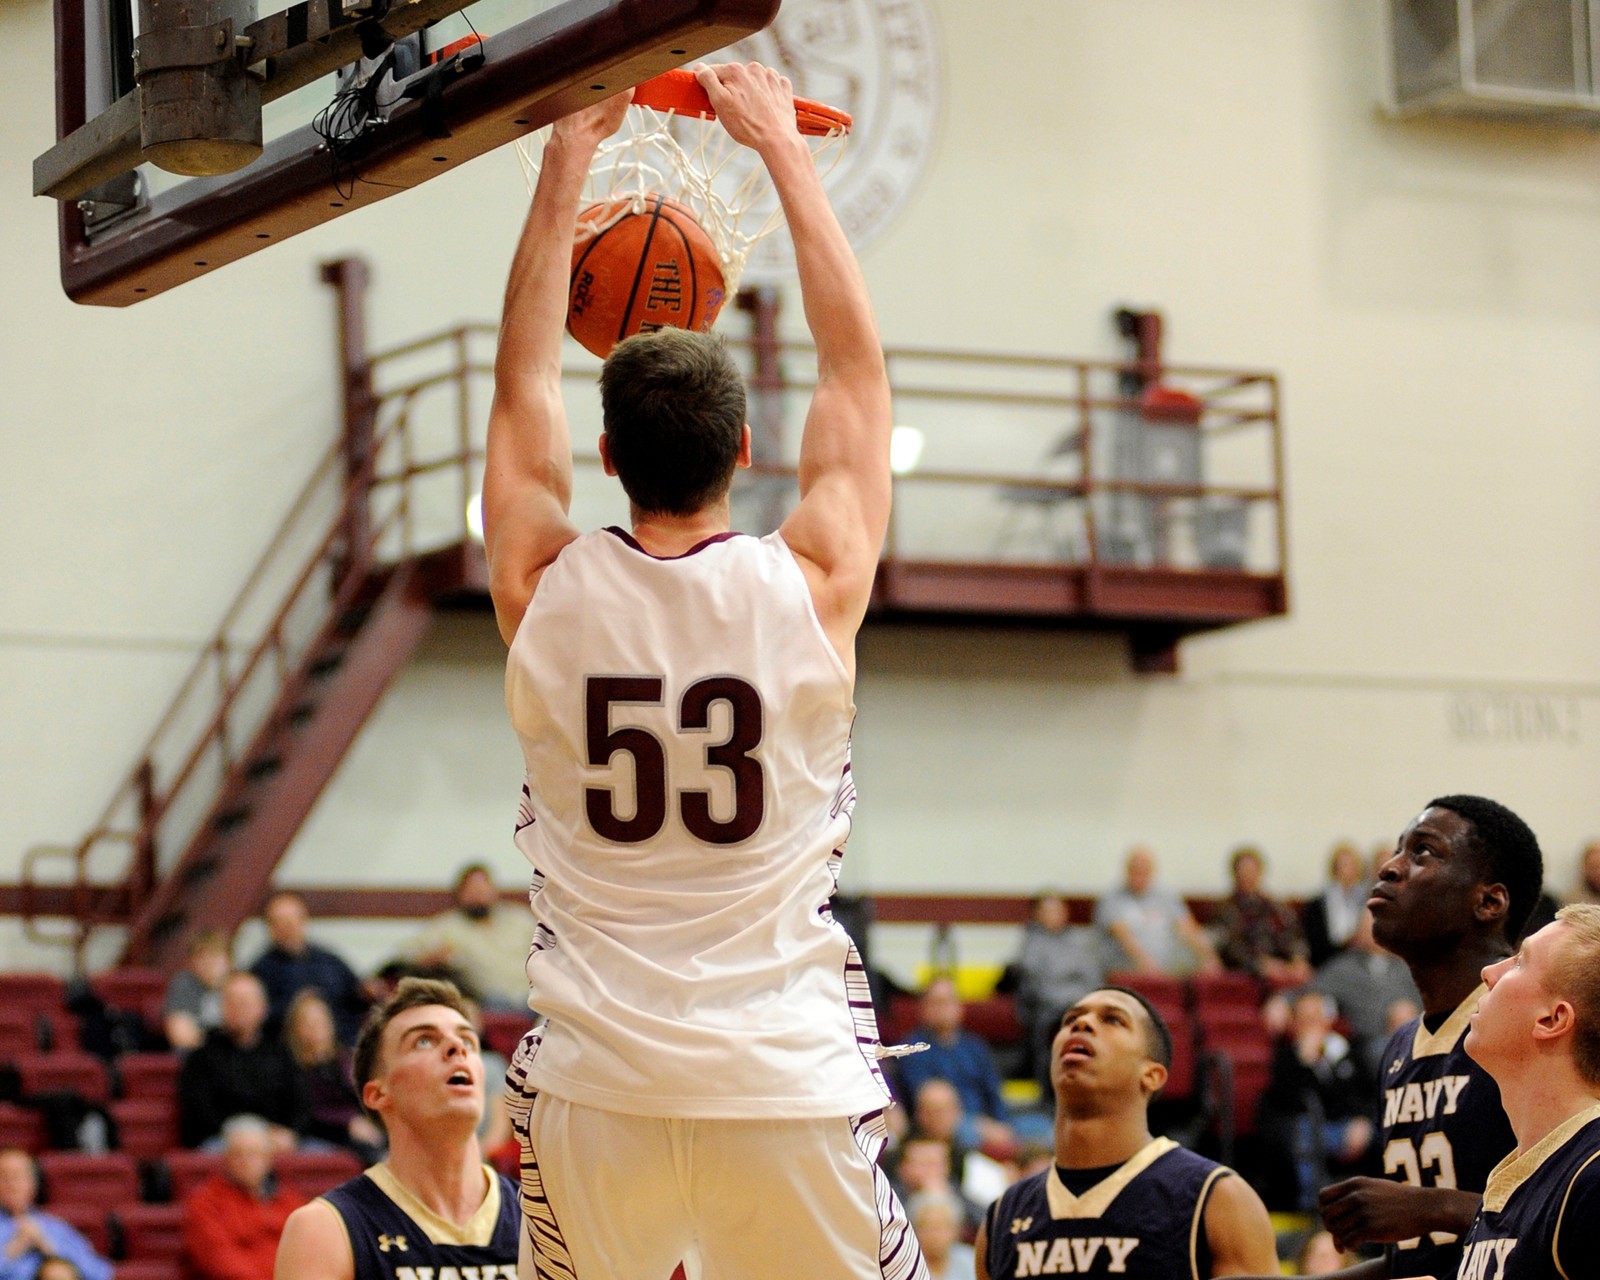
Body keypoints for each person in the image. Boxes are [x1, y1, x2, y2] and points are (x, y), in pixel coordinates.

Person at [484, 61, 926, 1280]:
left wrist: (568, 155)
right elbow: (856, 380)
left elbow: (522, 390)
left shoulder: (543, 589)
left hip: (595, 1084)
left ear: (609, 452)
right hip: (781, 1072)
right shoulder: (815, 578)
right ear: (743, 444)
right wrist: (780, 146)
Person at [1313, 795, 1544, 1280]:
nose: (1391, 868)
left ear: (1489, 901)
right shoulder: (1399, 1048)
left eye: (1424, 853)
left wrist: (1436, 1207)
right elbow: (1421, 1261)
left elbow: (1571, 1212)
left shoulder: (1537, 1021)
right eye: (1398, 850)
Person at [975, 987, 1278, 1280]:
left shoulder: (1218, 1199)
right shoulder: (1002, 1217)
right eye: (1070, 1020)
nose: (1081, 1024)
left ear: (1151, 1075)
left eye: (1113, 1020)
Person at [274, 978, 520, 1280]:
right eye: (424, 1041)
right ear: (378, 1094)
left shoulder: (542, 1218)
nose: (457, 1047)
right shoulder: (325, 1229)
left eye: (468, 1041)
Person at [1444, 903, 1600, 1278]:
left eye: (1518, 964)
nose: (1489, 972)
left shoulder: (1592, 1178)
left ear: (1552, 1019)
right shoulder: (1535, 1165)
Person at [1256, 990, 1375, 1212]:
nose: (1311, 1026)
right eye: (1304, 1020)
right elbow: (1290, 1102)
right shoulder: (1287, 1058)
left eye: (1316, 1018)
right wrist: (1306, 1063)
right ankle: (1313, 1210)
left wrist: (1363, 1121)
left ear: (1328, 1020)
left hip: (1350, 1127)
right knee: (1304, 1133)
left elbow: (1366, 1094)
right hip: (1309, 1130)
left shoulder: (1349, 1051)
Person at [178, 971, 307, 1150]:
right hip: (223, 1142)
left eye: (246, 1003)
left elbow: (300, 1103)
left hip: (276, 1141)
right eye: (233, 1002)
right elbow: (199, 1113)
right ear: (222, 1007)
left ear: (263, 1007)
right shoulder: (202, 1056)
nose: (239, 1009)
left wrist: (290, 1132)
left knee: (327, 1158)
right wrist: (246, 1137)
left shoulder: (281, 1053)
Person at [897, 977, 1018, 1152]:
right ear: (924, 1009)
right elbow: (927, 1103)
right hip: (945, 1124)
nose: (944, 1009)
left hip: (986, 1121)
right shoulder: (912, 1050)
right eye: (938, 1002)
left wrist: (1003, 1125)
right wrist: (980, 1126)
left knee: (1040, 1128)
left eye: (949, 1001)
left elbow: (993, 1094)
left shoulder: (975, 1046)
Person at [182, 1113, 307, 1280]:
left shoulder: (289, 1200)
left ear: (269, 1157)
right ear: (225, 1158)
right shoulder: (205, 1203)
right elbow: (220, 1263)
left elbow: (308, 1252)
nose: (245, 1161)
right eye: (238, 1154)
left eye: (254, 1154)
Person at [395, 864, 533, 1011]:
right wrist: (430, 959)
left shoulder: (520, 919)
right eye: (471, 890)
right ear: (460, 894)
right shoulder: (448, 927)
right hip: (488, 1003)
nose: (478, 896)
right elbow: (404, 955)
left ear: (494, 891)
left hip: (535, 996)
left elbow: (550, 949)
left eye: (482, 889)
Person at [1003, 891, 1104, 1090]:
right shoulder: (1031, 944)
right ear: (1037, 915)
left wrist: (1083, 1003)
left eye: (1059, 910)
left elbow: (1093, 977)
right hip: (1048, 1010)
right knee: (1059, 1025)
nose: (1055, 915)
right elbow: (1035, 986)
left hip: (1082, 1005)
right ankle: (1051, 1088)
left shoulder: (1080, 942)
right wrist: (1069, 1001)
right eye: (1048, 911)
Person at [1307, 907, 1420, 1080]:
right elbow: (1309, 991)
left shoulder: (1409, 967)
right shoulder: (1343, 968)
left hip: (1415, 1042)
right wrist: (1282, 1001)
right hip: (1365, 1045)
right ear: (1359, 931)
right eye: (1369, 926)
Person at [249, 891, 369, 1045]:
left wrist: (366, 993)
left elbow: (356, 994)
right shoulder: (260, 971)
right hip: (286, 1055)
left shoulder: (329, 960)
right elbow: (260, 1018)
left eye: (292, 921)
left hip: (341, 1049)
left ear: (303, 920)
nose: (288, 928)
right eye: (281, 922)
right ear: (270, 927)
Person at [283, 990, 384, 1163]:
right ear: (295, 1028)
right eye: (309, 1023)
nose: (317, 1028)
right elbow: (306, 1115)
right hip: (326, 1132)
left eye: (321, 1021)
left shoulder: (345, 1060)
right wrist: (348, 1123)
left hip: (359, 1126)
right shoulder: (292, 1067)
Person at [1095, 847, 1222, 976]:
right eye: (1135, 870)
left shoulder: (1166, 896)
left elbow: (1186, 927)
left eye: (1144, 870)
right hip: (1126, 972)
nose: (1139, 875)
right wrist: (1148, 966)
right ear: (1126, 870)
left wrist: (1208, 958)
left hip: (1166, 971)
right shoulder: (1112, 898)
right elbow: (1123, 936)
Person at [0, 1149, 112, 1280]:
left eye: (18, 1176)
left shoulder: (56, 1227)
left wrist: (50, 1249)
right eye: (4, 1177)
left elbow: (99, 1273)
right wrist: (13, 1249)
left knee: (57, 1271)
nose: (12, 1184)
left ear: (34, 1183)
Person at [1213, 845, 1312, 985]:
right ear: (1235, 873)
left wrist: (1298, 960)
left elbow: (1295, 936)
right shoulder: (1225, 910)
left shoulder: (1277, 908)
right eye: (1243, 870)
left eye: (1252, 870)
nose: (1248, 874)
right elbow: (1230, 948)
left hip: (1283, 968)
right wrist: (1260, 965)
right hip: (1249, 972)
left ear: (1260, 872)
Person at [163, 928, 231, 1052]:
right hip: (197, 1057)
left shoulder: (240, 985)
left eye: (215, 955)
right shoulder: (183, 984)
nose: (209, 963)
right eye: (202, 957)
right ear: (191, 962)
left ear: (229, 960)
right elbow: (180, 1034)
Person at [1302, 844, 1369, 968]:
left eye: (1351, 865)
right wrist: (1346, 943)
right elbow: (1316, 947)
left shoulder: (1369, 900)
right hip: (1329, 959)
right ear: (1333, 869)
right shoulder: (1317, 905)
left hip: (1363, 959)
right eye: (1342, 865)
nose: (1347, 870)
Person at [908, 1191, 977, 1280]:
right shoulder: (904, 1265)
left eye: (941, 1227)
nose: (935, 1235)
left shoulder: (970, 1261)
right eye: (928, 1227)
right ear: (915, 1230)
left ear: (955, 1230)